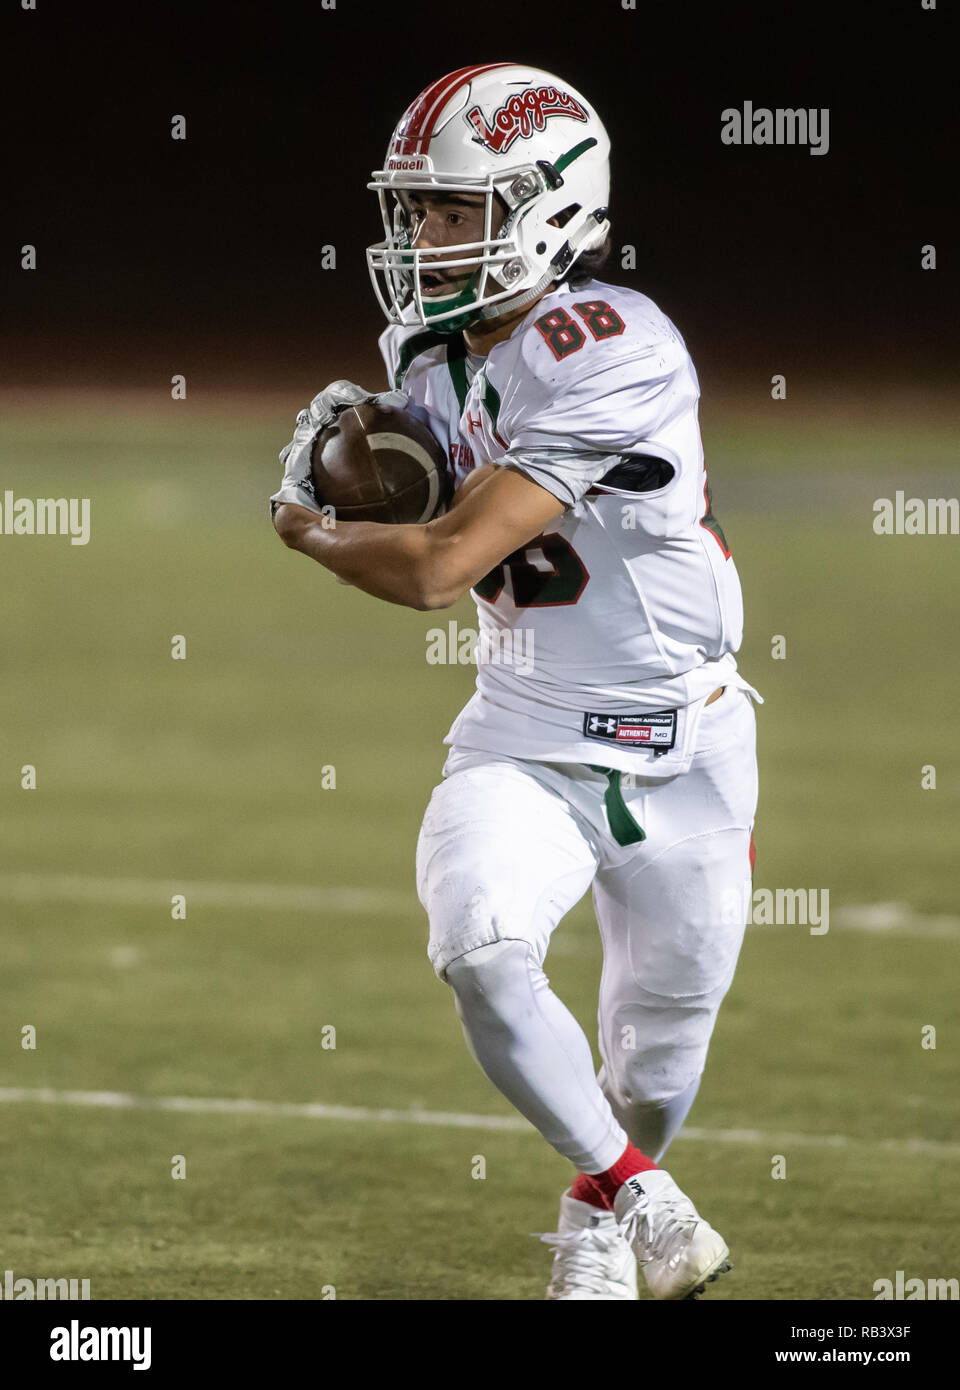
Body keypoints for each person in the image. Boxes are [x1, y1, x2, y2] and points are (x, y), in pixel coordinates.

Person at [271, 62, 761, 1300]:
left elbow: (441, 565)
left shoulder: (615, 347)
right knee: (483, 945)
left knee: (657, 1059)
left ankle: (597, 1219)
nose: (423, 239)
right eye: (417, 211)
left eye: (453, 211)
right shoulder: (425, 347)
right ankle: (641, 1201)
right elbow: (432, 494)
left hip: (690, 741)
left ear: (550, 210)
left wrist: (313, 530)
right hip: (527, 724)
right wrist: (373, 468)